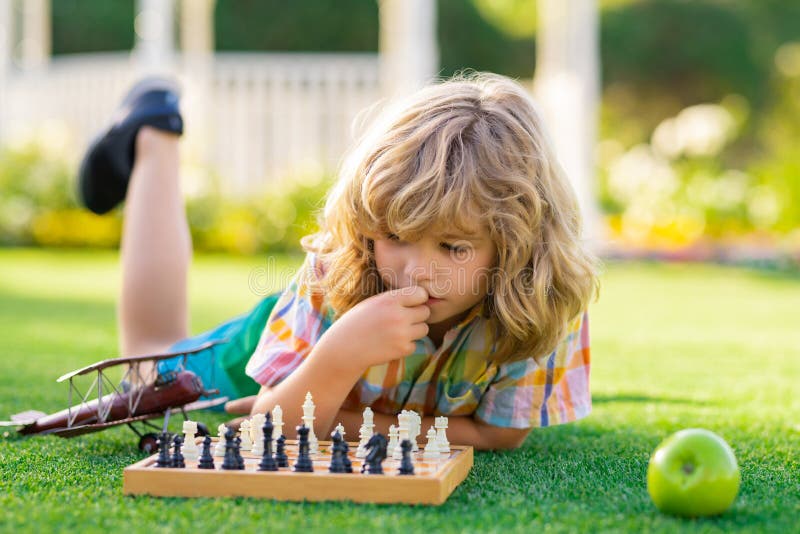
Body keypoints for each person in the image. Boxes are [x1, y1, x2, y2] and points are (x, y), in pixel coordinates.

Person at [78, 72, 599, 451]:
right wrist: (339, 354)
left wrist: (343, 420)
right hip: (264, 353)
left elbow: (497, 436)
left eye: (454, 247)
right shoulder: (336, 274)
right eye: (395, 236)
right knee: (147, 356)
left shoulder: (543, 298)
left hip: (328, 386)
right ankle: (155, 130)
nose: (417, 272)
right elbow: (270, 428)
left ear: (515, 246)